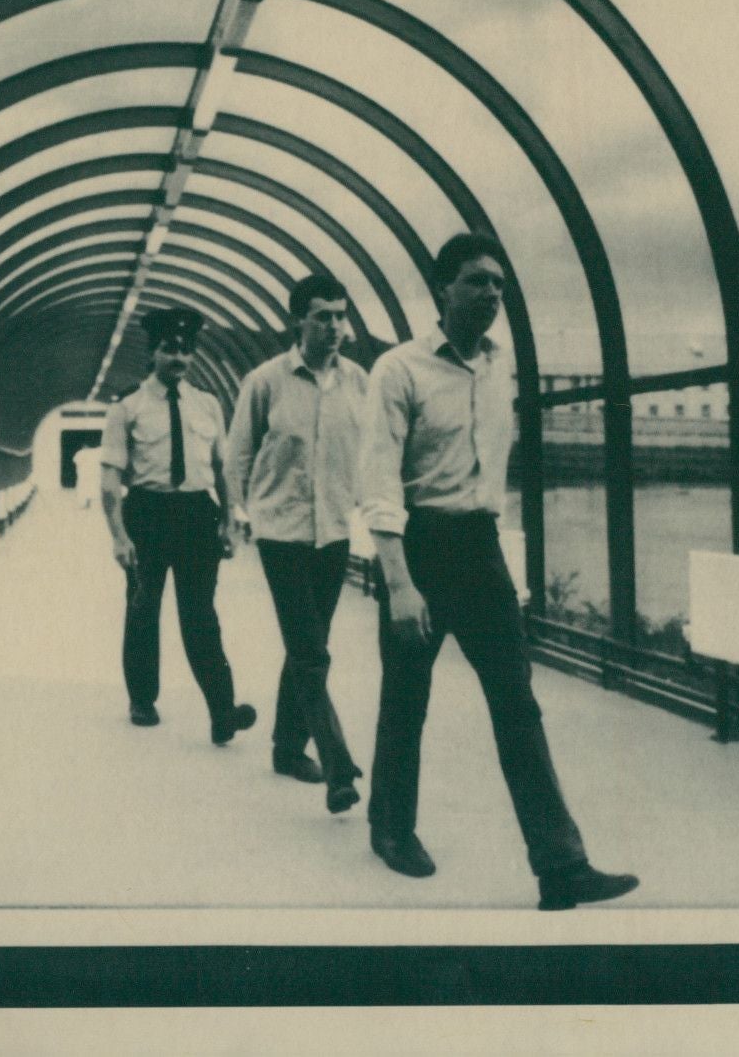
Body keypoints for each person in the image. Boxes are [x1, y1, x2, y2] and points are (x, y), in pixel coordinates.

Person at [360, 232, 639, 911]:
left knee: (517, 700)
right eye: (479, 281)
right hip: (419, 545)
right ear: (441, 288)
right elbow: (378, 480)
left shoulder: (499, 367)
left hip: (480, 549)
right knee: (407, 697)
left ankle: (560, 864)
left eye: (501, 285)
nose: (493, 294)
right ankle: (391, 828)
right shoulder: (398, 369)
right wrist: (398, 580)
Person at [225, 274, 368, 815]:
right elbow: (238, 455)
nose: (334, 327)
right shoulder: (265, 381)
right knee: (310, 649)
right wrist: (238, 515)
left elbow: (375, 451)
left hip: (334, 531)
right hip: (280, 530)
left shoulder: (359, 382)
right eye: (322, 317)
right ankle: (337, 763)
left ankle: (287, 749)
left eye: (340, 315)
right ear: (297, 322)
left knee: (307, 644)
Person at [97, 306, 256, 744]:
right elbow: (110, 480)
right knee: (144, 610)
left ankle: (223, 711)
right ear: (154, 352)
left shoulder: (207, 405)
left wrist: (229, 520)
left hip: (196, 517)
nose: (179, 360)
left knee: (201, 615)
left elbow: (224, 471)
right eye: (170, 350)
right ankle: (142, 700)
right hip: (146, 515)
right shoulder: (127, 408)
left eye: (185, 352)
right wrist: (118, 536)